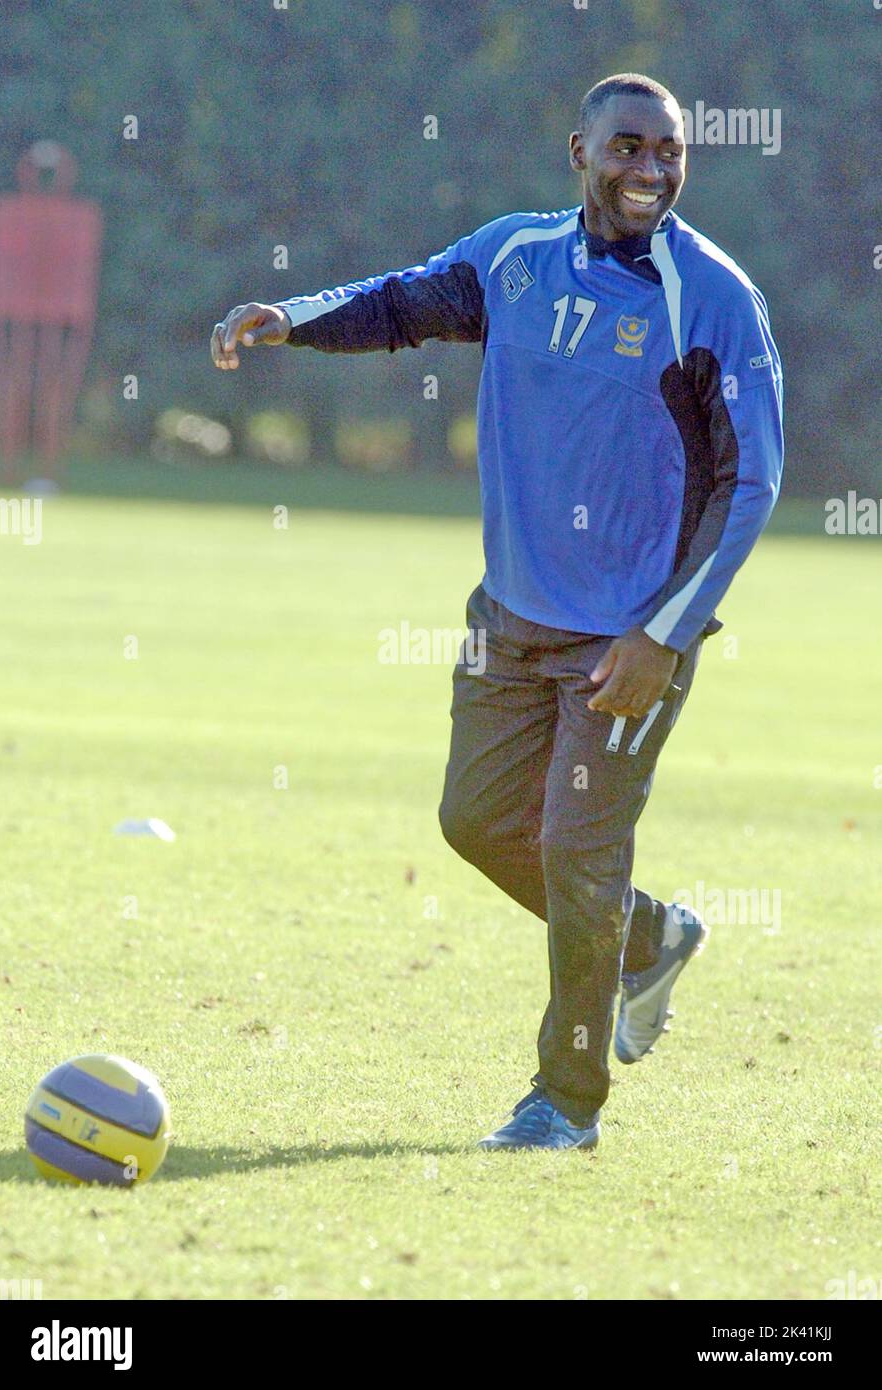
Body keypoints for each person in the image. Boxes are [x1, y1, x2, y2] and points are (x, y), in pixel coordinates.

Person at [210, 72, 784, 1152]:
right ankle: (650, 937)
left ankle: (563, 1104)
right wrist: (288, 317)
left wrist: (660, 635)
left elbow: (748, 483)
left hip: (626, 639)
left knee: (578, 848)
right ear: (579, 151)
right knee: (474, 824)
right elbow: (403, 300)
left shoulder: (710, 297)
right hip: (509, 618)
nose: (649, 170)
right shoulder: (514, 257)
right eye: (626, 148)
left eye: (668, 152)